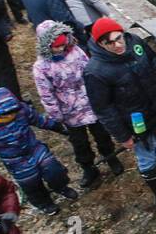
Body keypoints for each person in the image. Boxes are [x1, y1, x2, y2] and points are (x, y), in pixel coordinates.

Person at [83, 17, 156, 212]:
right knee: (147, 158)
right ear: (100, 44)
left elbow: (154, 66)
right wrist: (122, 136)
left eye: (119, 38)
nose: (118, 45)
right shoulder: (95, 71)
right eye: (110, 43)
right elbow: (103, 108)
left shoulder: (135, 42)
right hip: (135, 124)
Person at [32, 20, 123, 188]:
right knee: (79, 142)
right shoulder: (41, 67)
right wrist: (56, 114)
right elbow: (46, 94)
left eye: (62, 44)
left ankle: (111, 157)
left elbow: (90, 71)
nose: (60, 49)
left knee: (102, 134)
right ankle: (88, 168)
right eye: (55, 46)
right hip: (69, 111)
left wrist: (101, 95)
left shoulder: (76, 51)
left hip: (91, 103)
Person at [0, 86, 79, 216]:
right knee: (31, 184)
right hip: (15, 161)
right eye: (6, 114)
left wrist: (59, 128)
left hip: (35, 149)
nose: (11, 115)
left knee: (54, 170)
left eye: (13, 112)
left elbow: (39, 120)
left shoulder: (22, 110)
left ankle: (61, 187)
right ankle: (44, 203)